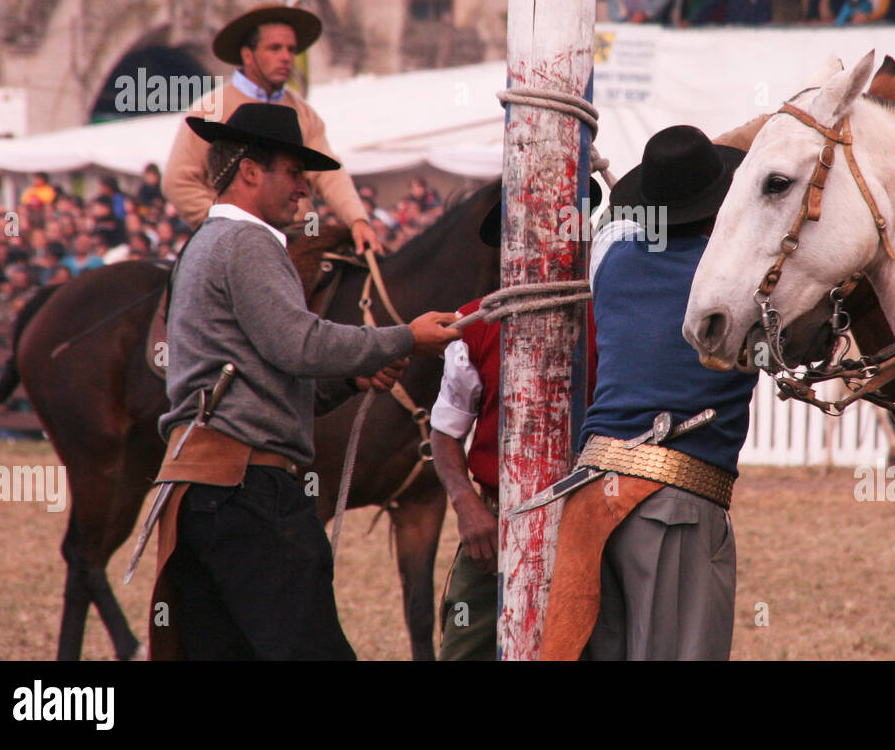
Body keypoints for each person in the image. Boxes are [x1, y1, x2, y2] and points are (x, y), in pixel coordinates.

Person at [147, 102, 462, 660]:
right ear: (249, 171)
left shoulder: (206, 243)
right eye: (294, 173)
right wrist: (404, 337)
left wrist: (351, 380)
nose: (304, 190)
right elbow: (302, 343)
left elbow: (267, 375)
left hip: (207, 493)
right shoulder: (250, 243)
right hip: (246, 493)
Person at [539, 126, 758, 660]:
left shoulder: (611, 254)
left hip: (593, 496)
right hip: (673, 505)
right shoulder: (741, 284)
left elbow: (624, 221)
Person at [430, 183, 601, 661]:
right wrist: (466, 504)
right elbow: (445, 434)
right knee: (465, 650)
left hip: (589, 526)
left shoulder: (610, 315)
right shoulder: (475, 325)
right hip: (493, 529)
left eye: (569, 227)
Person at [162, 3, 381, 254]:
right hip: (233, 246)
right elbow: (177, 182)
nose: (287, 57)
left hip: (297, 241)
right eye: (275, 48)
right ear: (247, 55)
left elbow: (329, 173)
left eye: (291, 49)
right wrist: (231, 224)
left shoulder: (304, 113)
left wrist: (357, 220)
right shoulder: (209, 109)